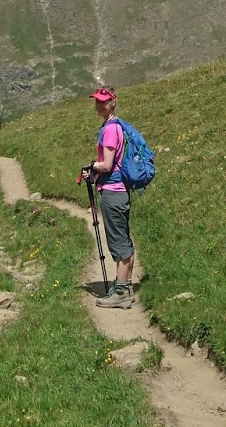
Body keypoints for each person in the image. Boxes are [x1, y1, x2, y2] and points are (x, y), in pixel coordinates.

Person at [80, 86, 137, 309]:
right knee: (123, 237)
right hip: (120, 190)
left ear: (113, 102)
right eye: (97, 101)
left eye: (103, 101)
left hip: (113, 192)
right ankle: (125, 285)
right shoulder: (115, 126)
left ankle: (121, 292)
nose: (99, 105)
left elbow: (107, 164)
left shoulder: (110, 130)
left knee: (118, 242)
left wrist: (91, 166)